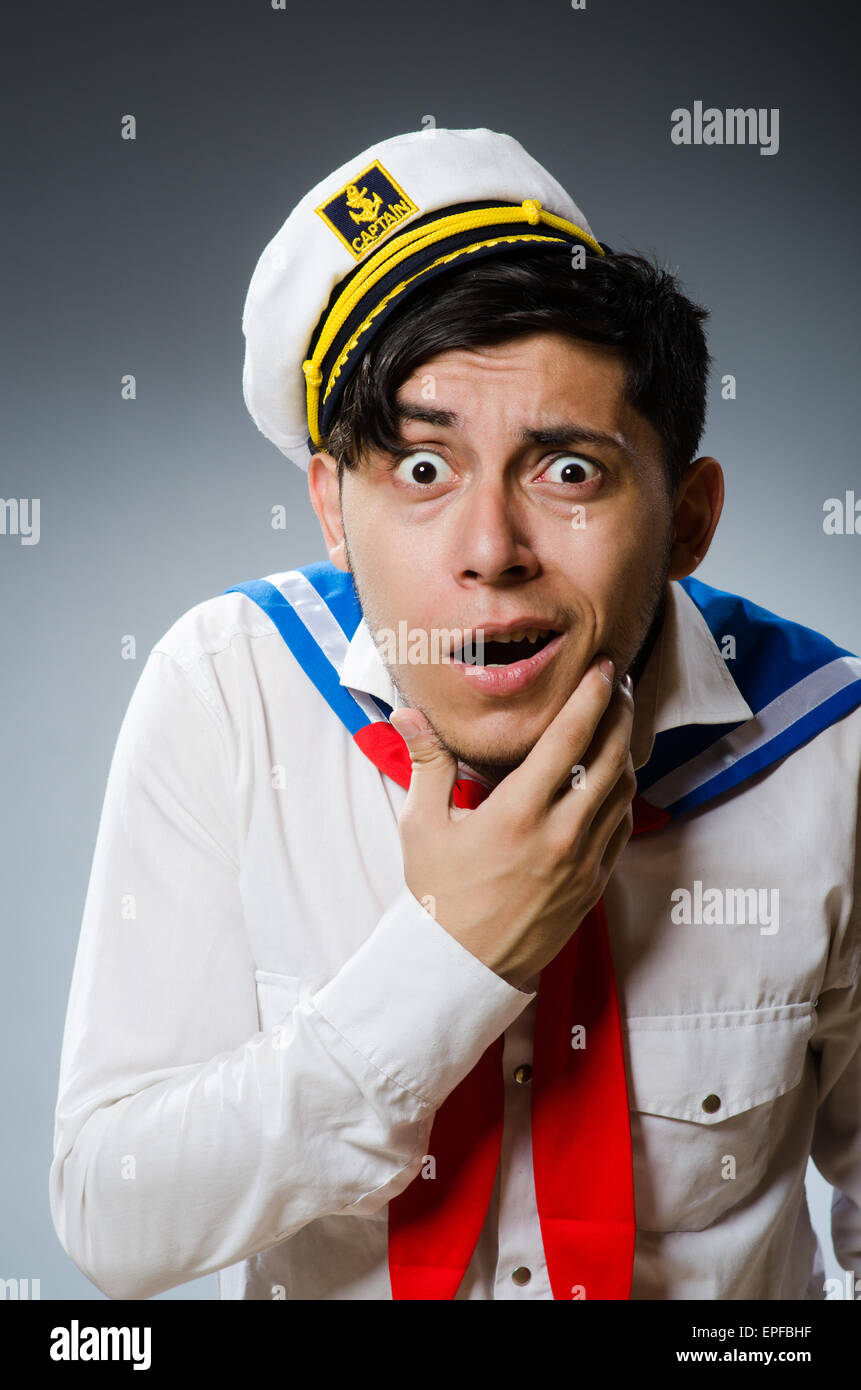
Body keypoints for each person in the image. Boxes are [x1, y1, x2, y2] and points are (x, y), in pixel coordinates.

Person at [49, 126, 861, 1300]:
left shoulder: (830, 754)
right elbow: (112, 1213)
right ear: (332, 506)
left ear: (687, 518)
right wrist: (450, 963)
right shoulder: (230, 692)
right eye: (422, 470)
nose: (490, 552)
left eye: (566, 471)